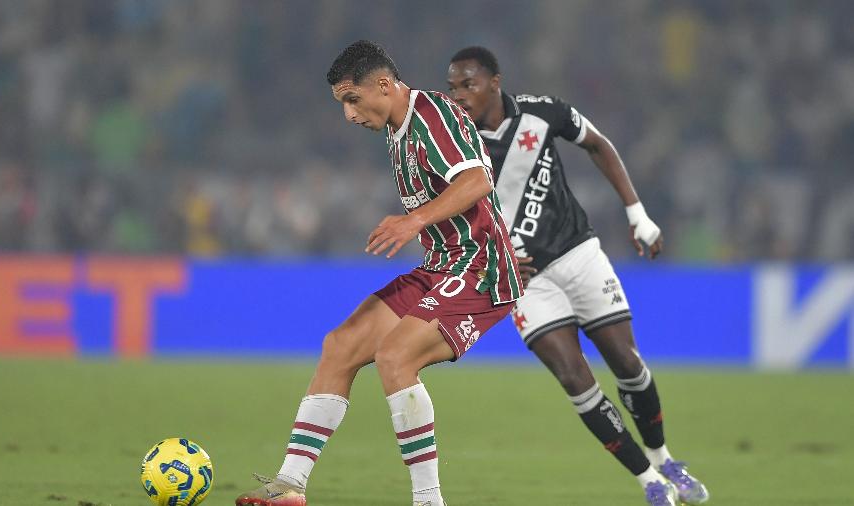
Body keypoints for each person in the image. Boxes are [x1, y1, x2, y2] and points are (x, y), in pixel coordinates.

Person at [236, 40, 523, 506]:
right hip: (440, 267)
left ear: (384, 85)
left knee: (395, 358)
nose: (348, 115)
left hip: (481, 270)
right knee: (340, 345)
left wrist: (414, 220)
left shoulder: (431, 113)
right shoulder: (397, 128)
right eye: (342, 104)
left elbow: (478, 180)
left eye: (353, 100)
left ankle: (429, 501)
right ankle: (290, 485)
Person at [446, 46, 709, 506]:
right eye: (453, 86)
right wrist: (495, 258)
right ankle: (648, 479)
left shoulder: (543, 113)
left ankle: (665, 458)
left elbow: (597, 144)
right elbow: (448, 218)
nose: (460, 95)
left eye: (468, 84)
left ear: (494, 82)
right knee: (573, 377)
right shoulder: (455, 143)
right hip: (523, 280)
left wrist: (637, 213)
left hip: (578, 254)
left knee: (627, 363)